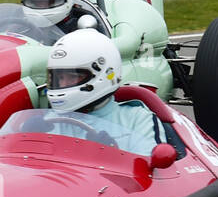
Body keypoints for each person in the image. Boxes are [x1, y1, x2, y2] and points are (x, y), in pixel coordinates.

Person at [44, 29, 158, 157]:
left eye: (72, 77)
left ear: (103, 74)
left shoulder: (137, 119)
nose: (63, 84)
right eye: (59, 78)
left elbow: (149, 166)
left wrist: (112, 155)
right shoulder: (49, 122)